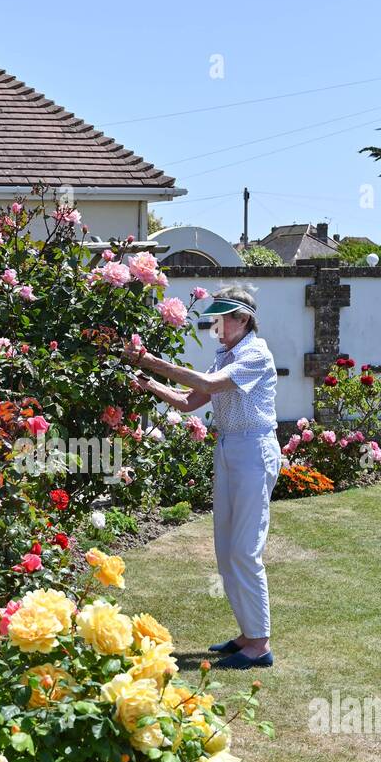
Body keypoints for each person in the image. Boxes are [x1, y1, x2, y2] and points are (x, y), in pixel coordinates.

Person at [122, 284, 280, 669]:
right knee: (226, 552)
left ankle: (259, 646)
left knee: (245, 550)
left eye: (221, 319)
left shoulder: (255, 354)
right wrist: (149, 383)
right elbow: (188, 401)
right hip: (230, 449)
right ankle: (247, 634)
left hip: (253, 452)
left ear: (242, 319)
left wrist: (150, 362)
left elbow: (208, 386)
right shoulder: (226, 354)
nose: (215, 326)